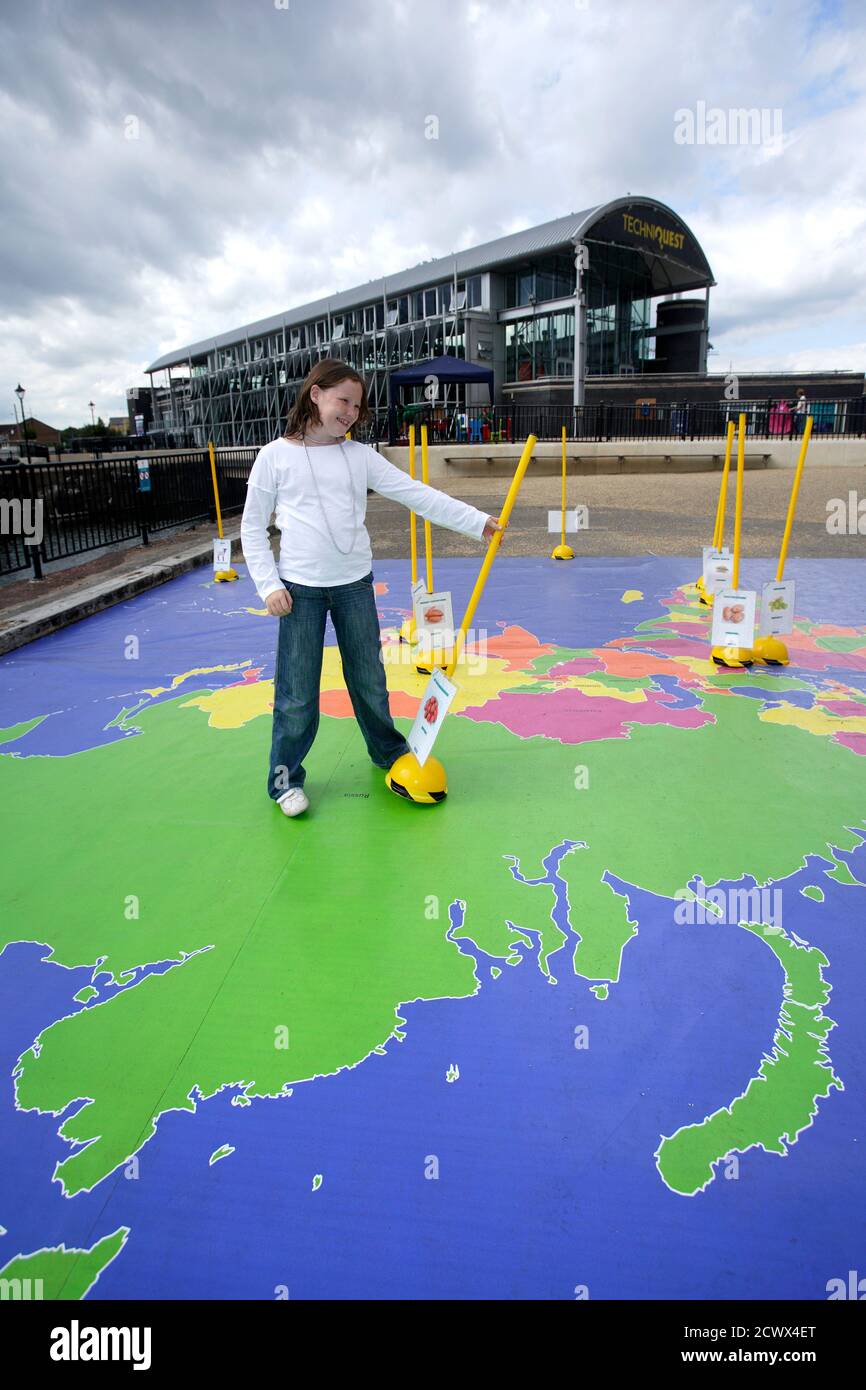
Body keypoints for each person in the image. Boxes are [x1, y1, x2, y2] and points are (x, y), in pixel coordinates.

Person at [240, 358, 504, 817]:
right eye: (343, 401)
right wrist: (268, 585)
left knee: (369, 679)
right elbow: (251, 527)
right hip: (299, 591)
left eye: (356, 406)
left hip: (354, 586)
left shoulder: (360, 456)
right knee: (297, 693)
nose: (350, 412)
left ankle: (388, 752)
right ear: (315, 394)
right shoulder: (274, 456)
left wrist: (475, 521)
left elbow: (415, 493)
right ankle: (285, 780)